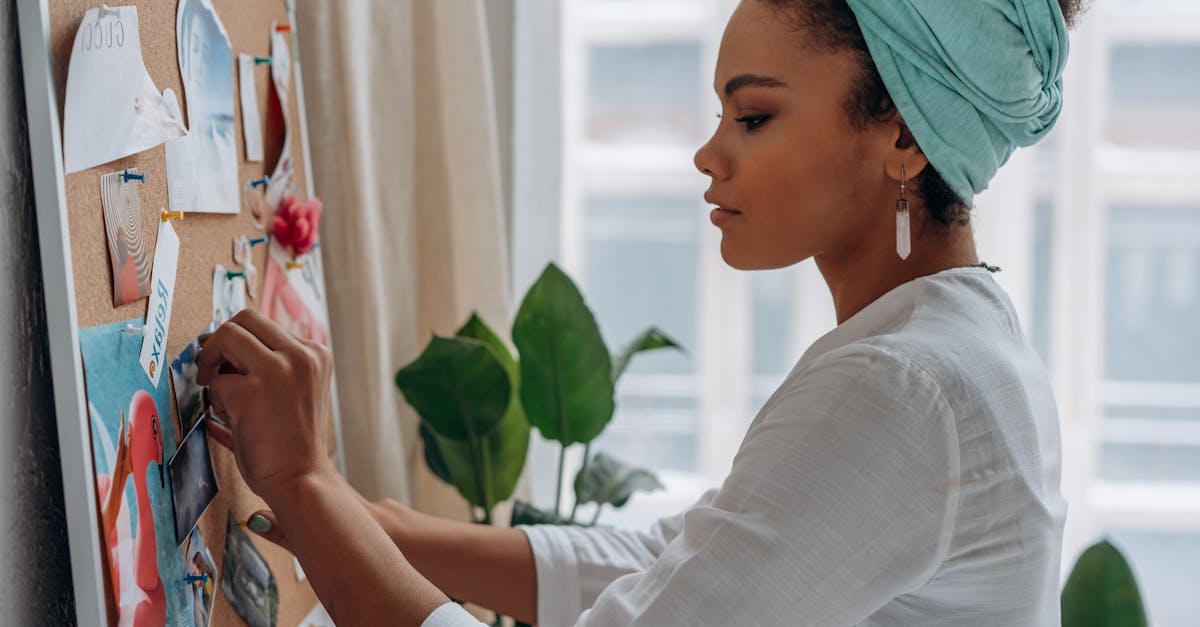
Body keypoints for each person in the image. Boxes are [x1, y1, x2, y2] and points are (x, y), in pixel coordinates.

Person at [198, 0, 1084, 624]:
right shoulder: (961, 346)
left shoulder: (902, 386)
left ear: (903, 135)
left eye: (754, 115)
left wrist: (310, 490)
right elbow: (680, 564)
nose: (710, 153)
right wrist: (377, 528)